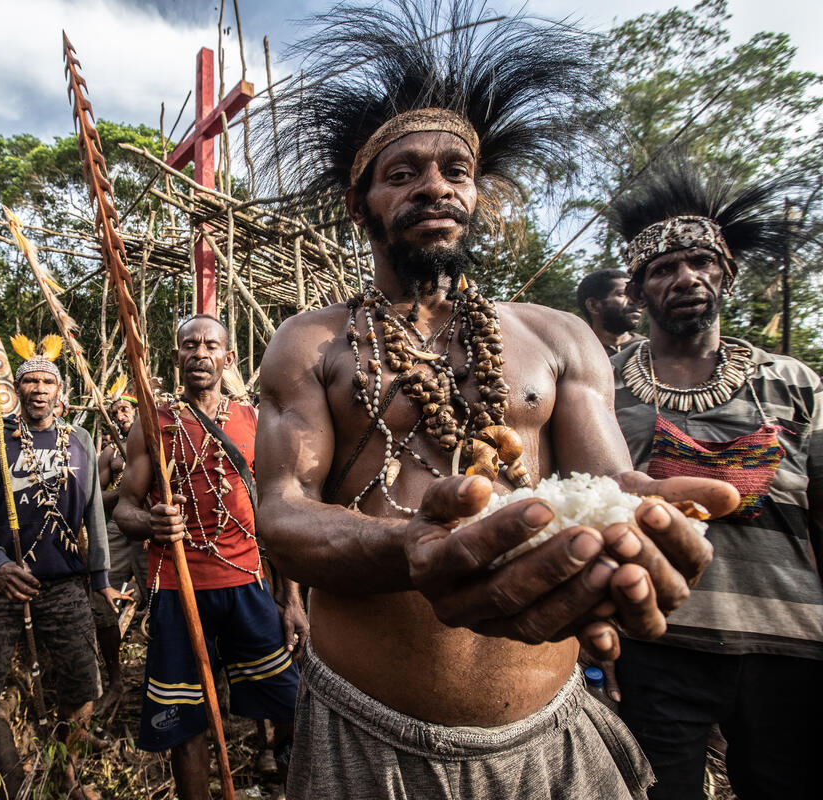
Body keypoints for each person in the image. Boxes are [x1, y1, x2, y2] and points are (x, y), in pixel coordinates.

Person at [251, 3, 734, 798]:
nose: (434, 187)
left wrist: (644, 514)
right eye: (402, 174)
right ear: (360, 204)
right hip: (369, 727)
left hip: (549, 726)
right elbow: (282, 509)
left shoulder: (557, 336)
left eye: (455, 171)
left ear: (479, 197)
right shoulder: (313, 342)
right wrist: (409, 549)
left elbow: (611, 484)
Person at [606, 156, 823, 800]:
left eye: (700, 262)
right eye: (662, 269)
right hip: (657, 639)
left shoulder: (795, 382)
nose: (685, 277)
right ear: (639, 291)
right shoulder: (605, 386)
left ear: (725, 273)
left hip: (791, 642)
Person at [114, 315, 307, 799]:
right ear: (175, 356)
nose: (199, 352)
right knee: (185, 718)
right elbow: (122, 508)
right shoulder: (151, 423)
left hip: (246, 583)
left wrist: (293, 600)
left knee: (289, 699)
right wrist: (154, 521)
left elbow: (279, 514)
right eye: (188, 345)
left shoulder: (255, 422)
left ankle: (284, 777)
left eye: (209, 345)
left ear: (228, 358)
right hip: (179, 590)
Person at [0, 335, 112, 800]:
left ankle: (68, 778)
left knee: (81, 685)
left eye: (47, 381)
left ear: (61, 390)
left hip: (63, 587)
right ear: (16, 389)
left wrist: (100, 579)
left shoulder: (80, 441)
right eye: (30, 381)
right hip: (0, 588)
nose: (39, 388)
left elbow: (94, 510)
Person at [92, 381, 143, 708]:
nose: (120, 416)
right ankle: (114, 681)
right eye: (115, 413)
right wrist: (124, 495)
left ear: (138, 411)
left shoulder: (158, 441)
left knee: (166, 601)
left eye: (125, 410)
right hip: (118, 527)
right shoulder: (110, 453)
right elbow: (93, 496)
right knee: (101, 598)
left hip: (154, 529)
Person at [577, 269, 645, 355]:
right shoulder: (576, 352)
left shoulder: (650, 351)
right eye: (622, 294)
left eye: (636, 294)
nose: (634, 301)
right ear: (593, 305)